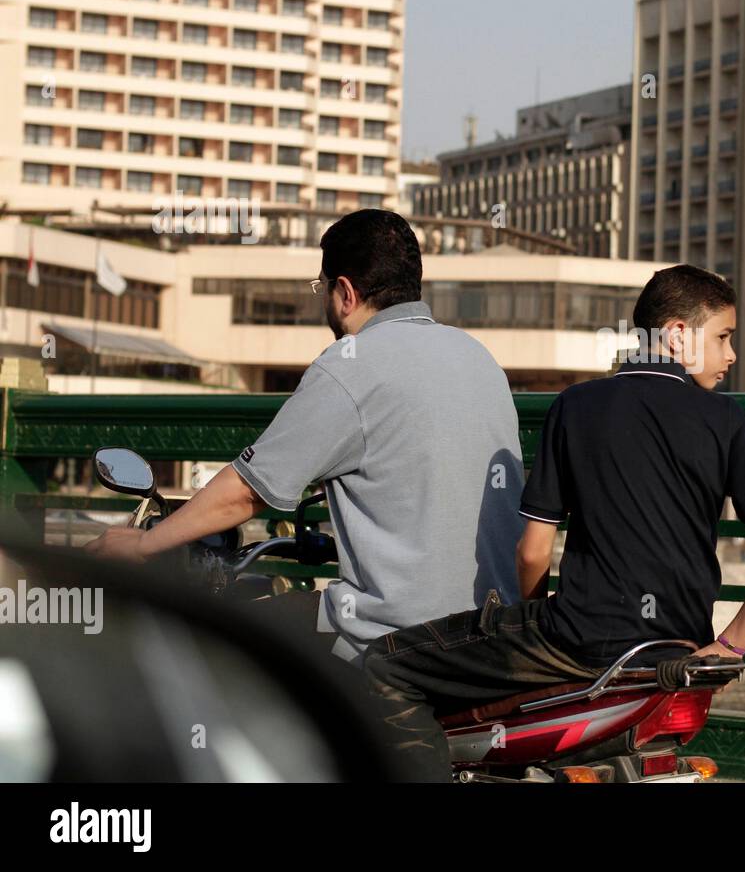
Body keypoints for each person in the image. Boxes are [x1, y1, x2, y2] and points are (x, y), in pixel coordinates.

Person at [86, 209, 525, 670]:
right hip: (490, 629)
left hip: (395, 635)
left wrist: (143, 545)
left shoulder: (349, 366)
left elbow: (244, 494)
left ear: (345, 292)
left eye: (323, 288)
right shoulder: (479, 359)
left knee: (224, 640)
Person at [363, 264, 745, 721]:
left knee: (383, 665)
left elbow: (533, 554)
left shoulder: (576, 405)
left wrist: (528, 625)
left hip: (578, 640)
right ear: (676, 335)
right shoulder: (728, 419)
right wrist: (730, 646)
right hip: (681, 648)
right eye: (722, 337)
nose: (731, 354)